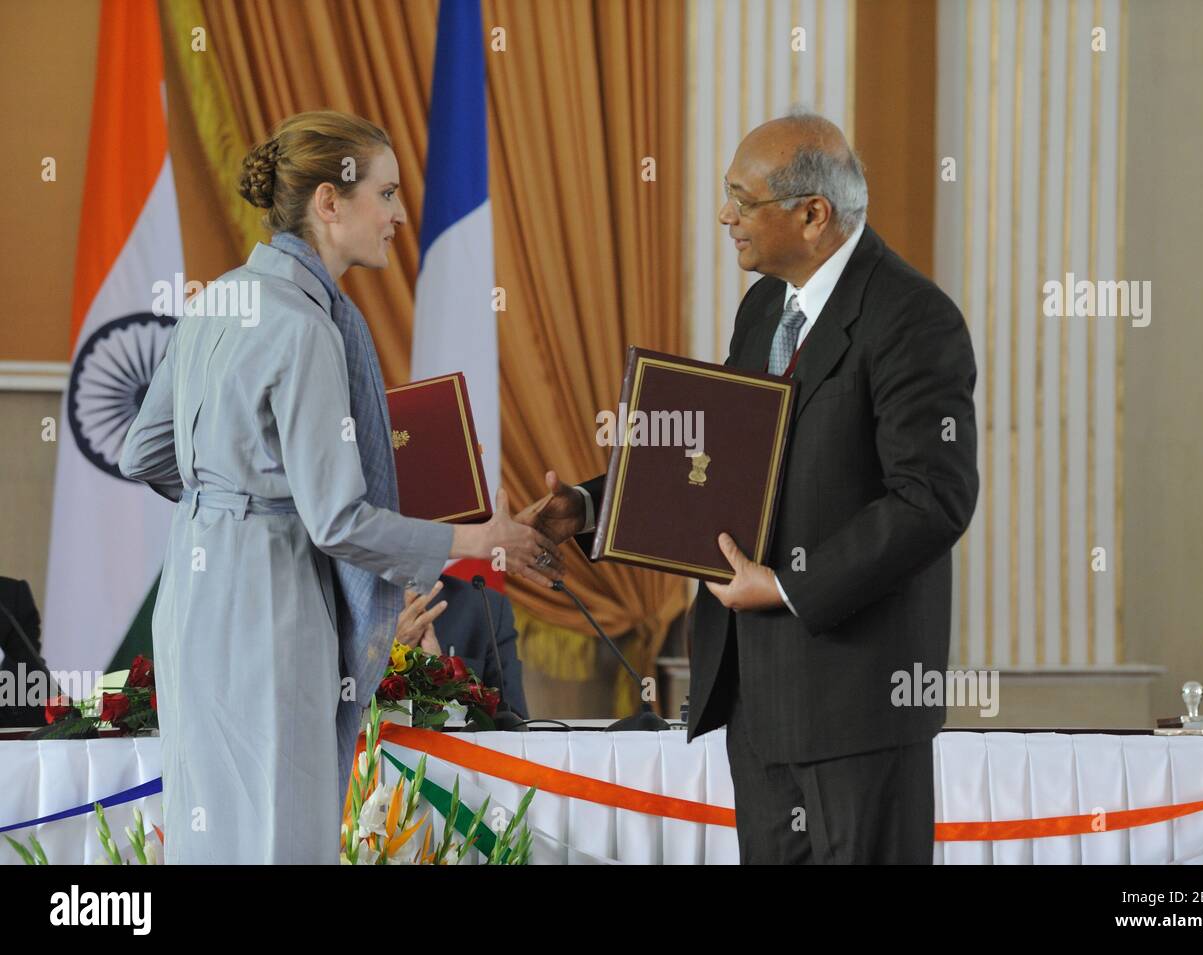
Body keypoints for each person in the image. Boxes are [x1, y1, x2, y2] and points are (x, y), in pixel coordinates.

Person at [523, 112, 979, 864]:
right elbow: (722, 459)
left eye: (742, 198)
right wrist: (590, 505)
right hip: (758, 700)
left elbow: (933, 499)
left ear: (812, 214)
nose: (726, 216)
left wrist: (791, 585)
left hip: (858, 706)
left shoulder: (913, 319)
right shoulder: (766, 306)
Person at [118, 110, 562, 864]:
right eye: (385, 194)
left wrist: (227, 501)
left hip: (194, 597)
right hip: (270, 598)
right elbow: (336, 521)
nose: (397, 215)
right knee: (283, 833)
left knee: (213, 832)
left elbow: (142, 453)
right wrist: (479, 537)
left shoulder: (216, 299)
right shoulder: (304, 326)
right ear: (329, 202)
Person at [392, 576, 529, 718]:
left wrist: (442, 674)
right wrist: (389, 655)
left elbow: (514, 724)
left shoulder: (485, 606)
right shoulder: (367, 602)